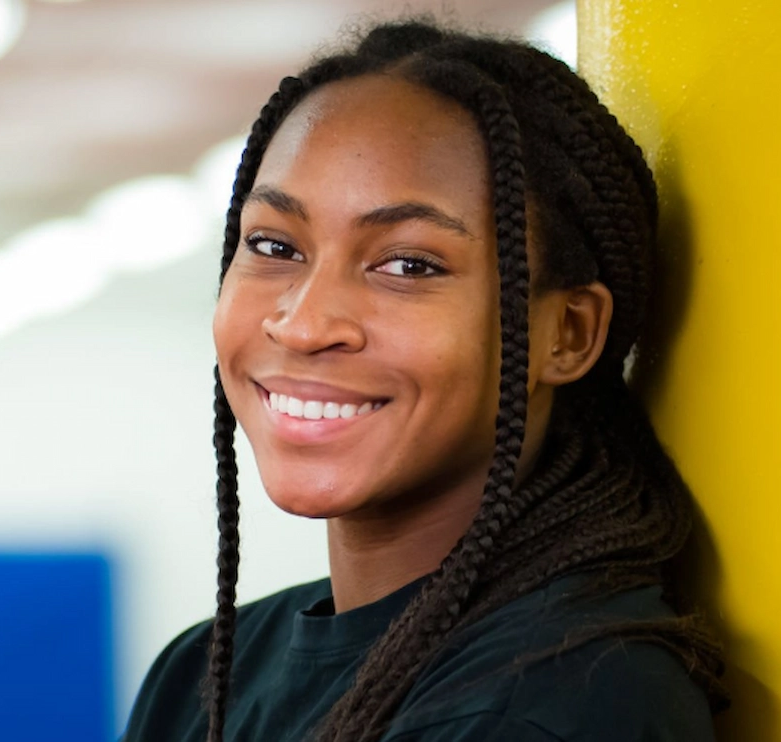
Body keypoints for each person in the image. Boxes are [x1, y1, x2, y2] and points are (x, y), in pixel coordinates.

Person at [123, 18, 726, 742]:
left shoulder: (564, 705)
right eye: (274, 245)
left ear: (566, 334)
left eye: (409, 265)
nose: (304, 323)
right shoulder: (201, 676)